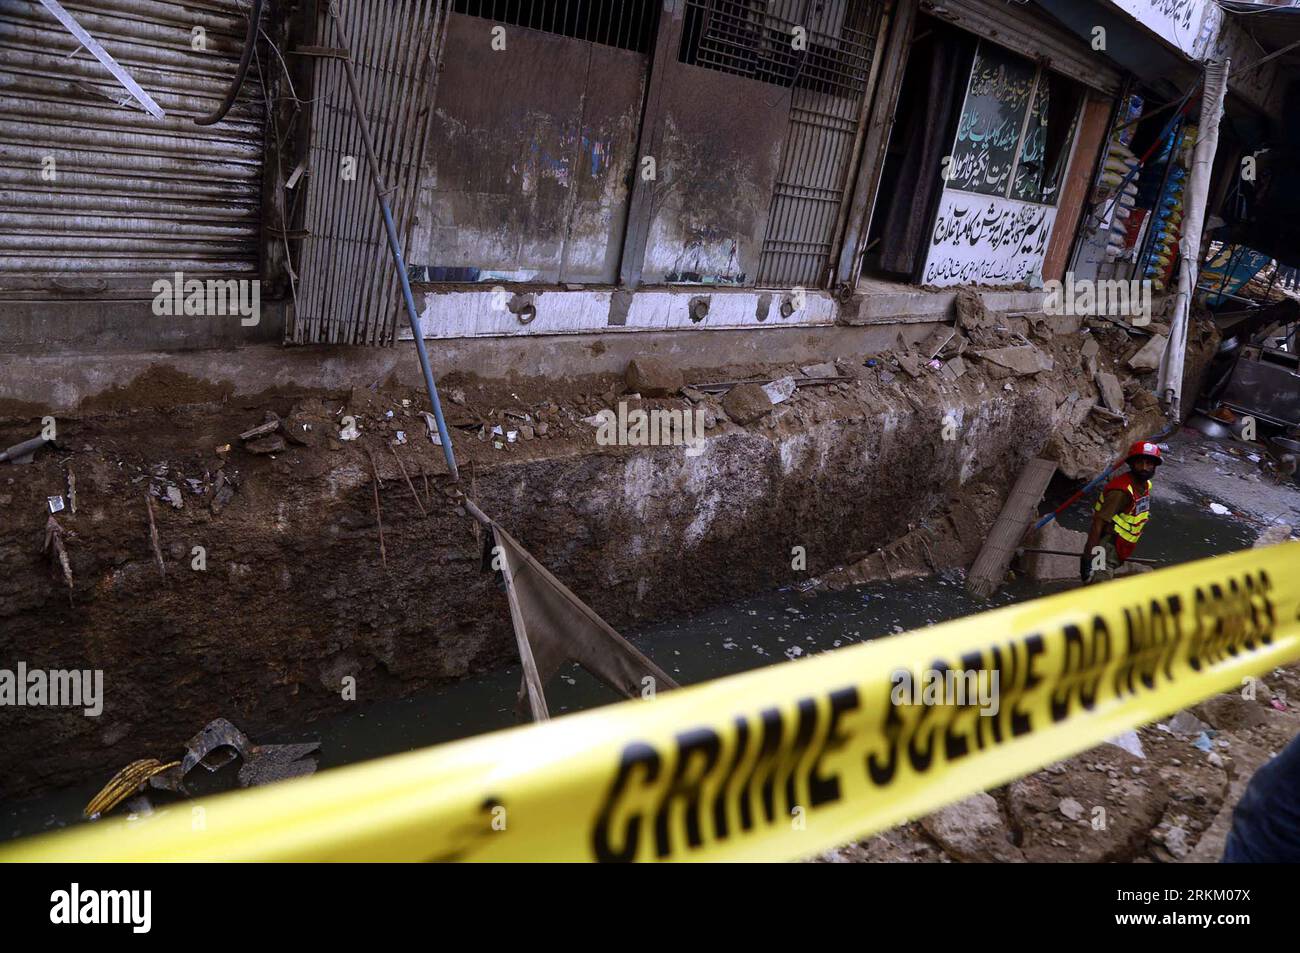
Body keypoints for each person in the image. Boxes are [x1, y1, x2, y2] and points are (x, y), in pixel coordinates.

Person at [1080, 441, 1161, 584]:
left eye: (1149, 463)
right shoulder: (1120, 492)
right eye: (1139, 463)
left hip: (1120, 545)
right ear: (1131, 464)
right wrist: (1087, 558)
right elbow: (1098, 524)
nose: (1144, 468)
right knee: (1098, 586)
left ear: (1155, 466)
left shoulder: (1145, 485)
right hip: (1105, 547)